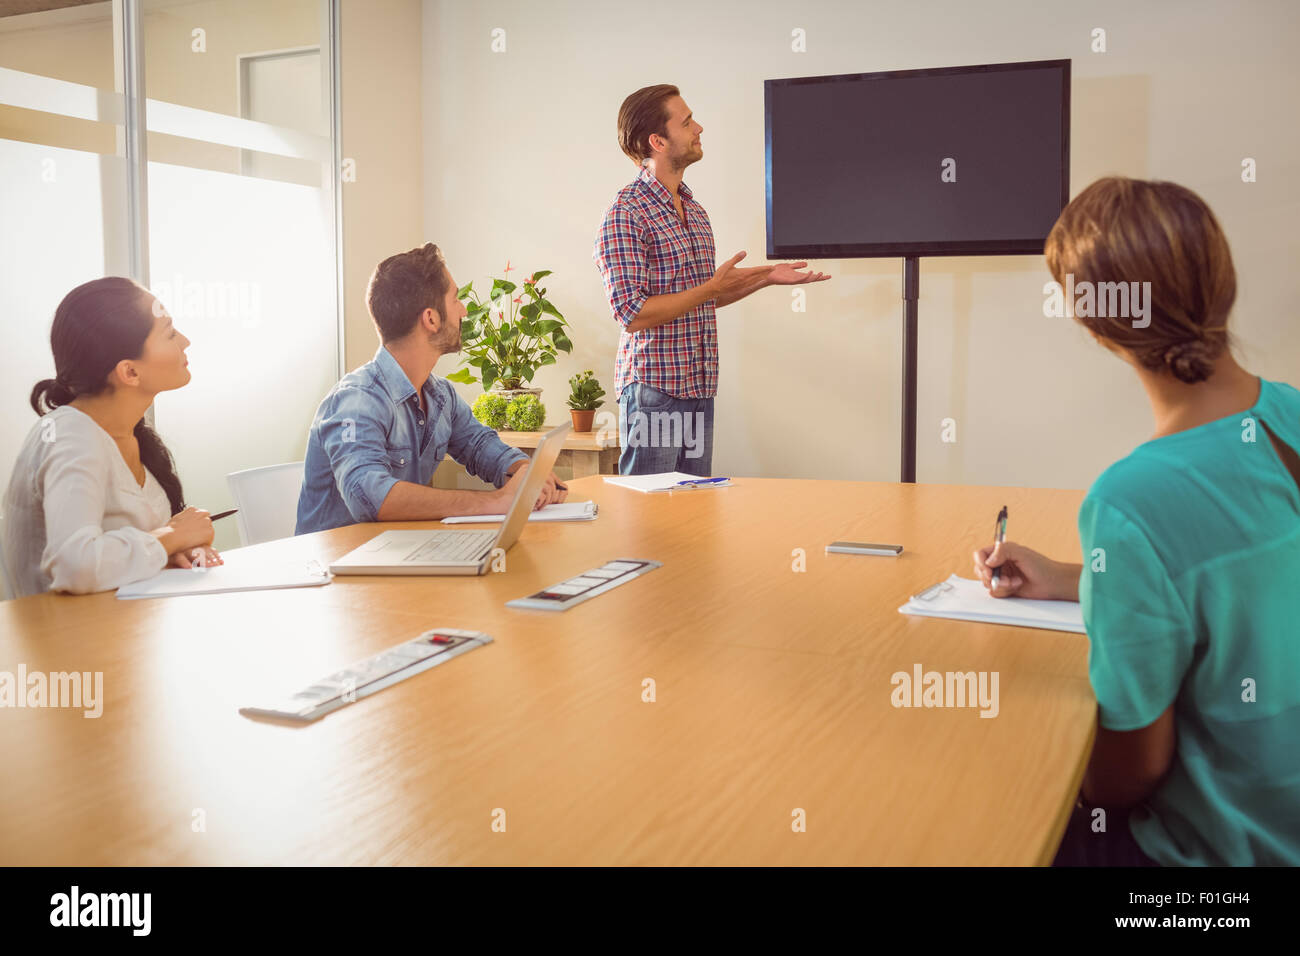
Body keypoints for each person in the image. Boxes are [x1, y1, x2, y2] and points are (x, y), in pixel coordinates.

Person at [970, 177, 1300, 866]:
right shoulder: (1287, 414)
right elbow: (1238, 578)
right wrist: (1072, 576)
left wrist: (1049, 768)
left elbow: (1132, 773)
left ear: (1096, 326)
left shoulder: (1131, 500)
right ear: (1222, 283)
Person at [594, 84, 831, 476]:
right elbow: (631, 313)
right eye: (686, 122)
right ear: (657, 140)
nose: (698, 128)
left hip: (699, 389)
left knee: (693, 521)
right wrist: (712, 288)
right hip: (655, 393)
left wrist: (765, 277)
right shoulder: (626, 212)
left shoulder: (694, 211)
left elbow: (703, 295)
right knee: (650, 524)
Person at [295, 243, 566, 535]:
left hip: (395, 558)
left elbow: (479, 445)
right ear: (431, 319)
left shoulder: (440, 396)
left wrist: (525, 471)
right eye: (455, 299)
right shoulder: (357, 400)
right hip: (336, 571)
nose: (464, 310)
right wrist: (496, 501)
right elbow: (370, 496)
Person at [2, 277, 219, 597]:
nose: (185, 341)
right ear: (129, 372)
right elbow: (74, 564)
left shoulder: (126, 434)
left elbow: (123, 552)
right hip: (66, 640)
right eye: (170, 333)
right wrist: (172, 535)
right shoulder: (70, 436)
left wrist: (172, 553)